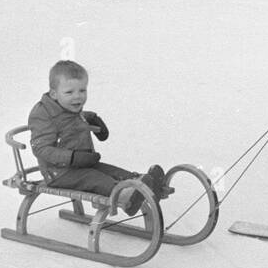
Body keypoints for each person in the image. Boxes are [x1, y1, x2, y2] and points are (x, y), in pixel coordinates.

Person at [28, 60, 172, 218]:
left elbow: (70, 120)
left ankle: (142, 182)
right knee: (94, 178)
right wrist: (72, 158)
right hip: (59, 172)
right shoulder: (43, 115)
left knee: (111, 171)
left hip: (84, 163)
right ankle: (126, 197)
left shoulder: (66, 107)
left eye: (82, 90)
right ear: (54, 94)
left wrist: (91, 119)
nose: (78, 96)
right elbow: (40, 148)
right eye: (69, 92)